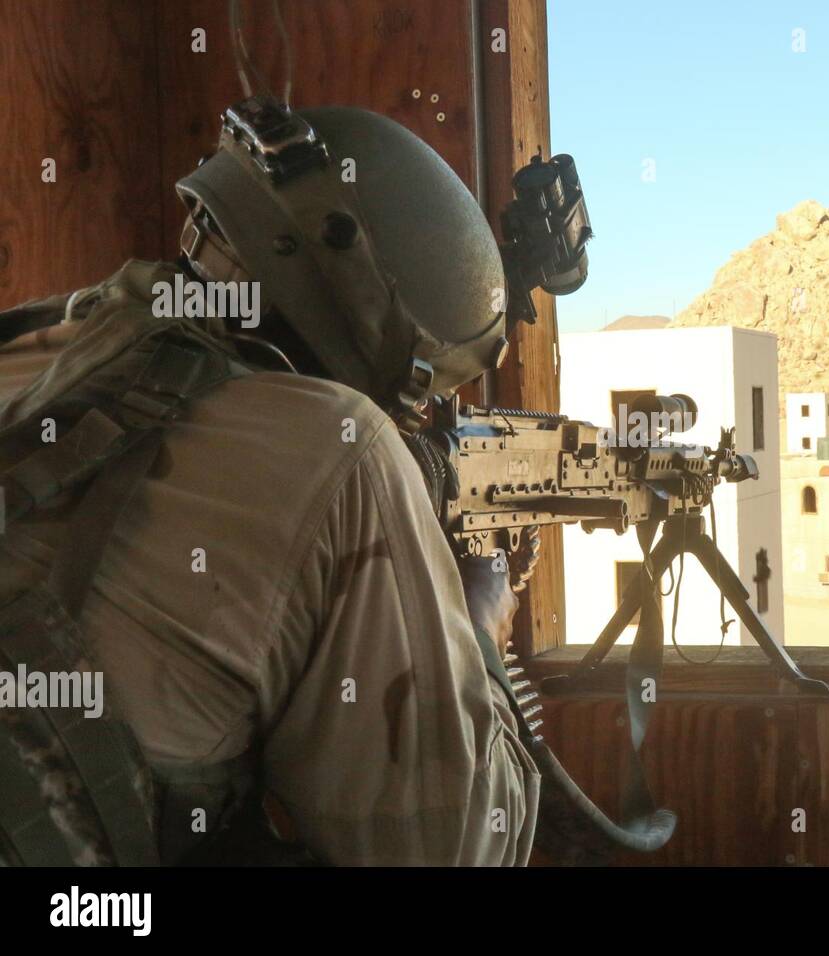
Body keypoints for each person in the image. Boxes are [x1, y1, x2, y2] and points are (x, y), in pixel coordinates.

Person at [0, 98, 539, 865]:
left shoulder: (42, 339)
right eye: (425, 397)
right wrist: (481, 627)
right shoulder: (344, 451)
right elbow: (453, 849)